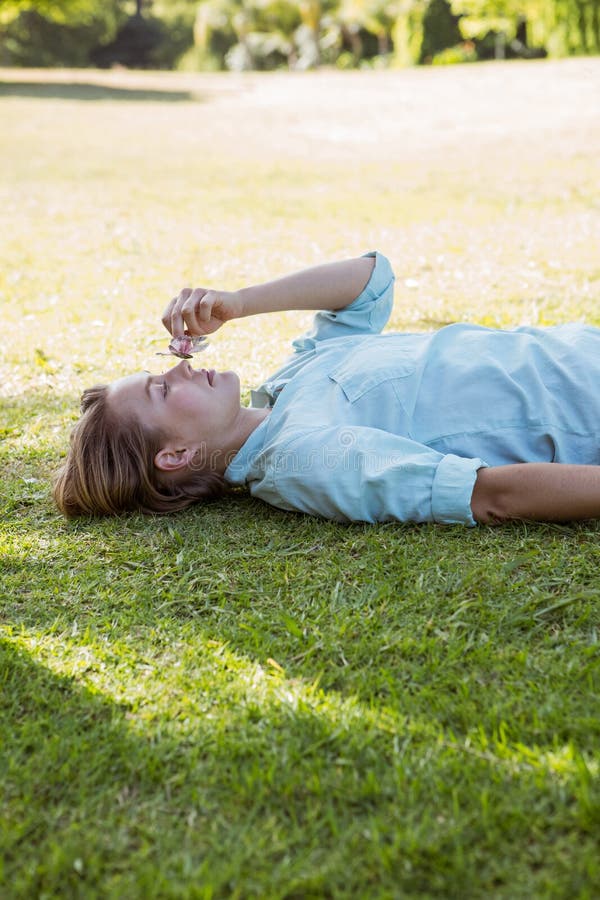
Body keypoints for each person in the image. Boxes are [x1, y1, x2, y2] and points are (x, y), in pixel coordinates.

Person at [54, 252, 600, 525]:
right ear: (178, 455)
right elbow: (487, 494)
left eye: (161, 371)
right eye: (162, 392)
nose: (177, 370)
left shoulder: (287, 382)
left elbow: (368, 280)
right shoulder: (302, 460)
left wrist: (239, 303)